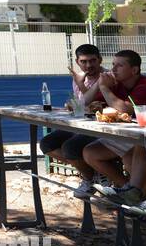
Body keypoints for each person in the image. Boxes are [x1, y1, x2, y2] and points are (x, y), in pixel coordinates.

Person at [83, 50, 146, 206]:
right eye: (113, 65)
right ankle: (127, 192)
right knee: (90, 152)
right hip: (129, 135)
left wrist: (105, 88)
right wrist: (99, 85)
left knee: (130, 158)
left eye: (119, 65)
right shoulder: (117, 84)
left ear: (134, 70)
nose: (113, 69)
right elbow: (84, 104)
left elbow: (125, 109)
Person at [42, 43, 106, 199]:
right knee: (46, 144)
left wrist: (80, 89)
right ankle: (91, 174)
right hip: (81, 124)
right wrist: (72, 104)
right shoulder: (79, 77)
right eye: (84, 61)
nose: (88, 65)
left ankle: (95, 175)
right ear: (77, 62)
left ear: (100, 60)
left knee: (70, 148)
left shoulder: (107, 76)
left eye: (92, 61)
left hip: (101, 127)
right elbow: (82, 104)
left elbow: (96, 104)